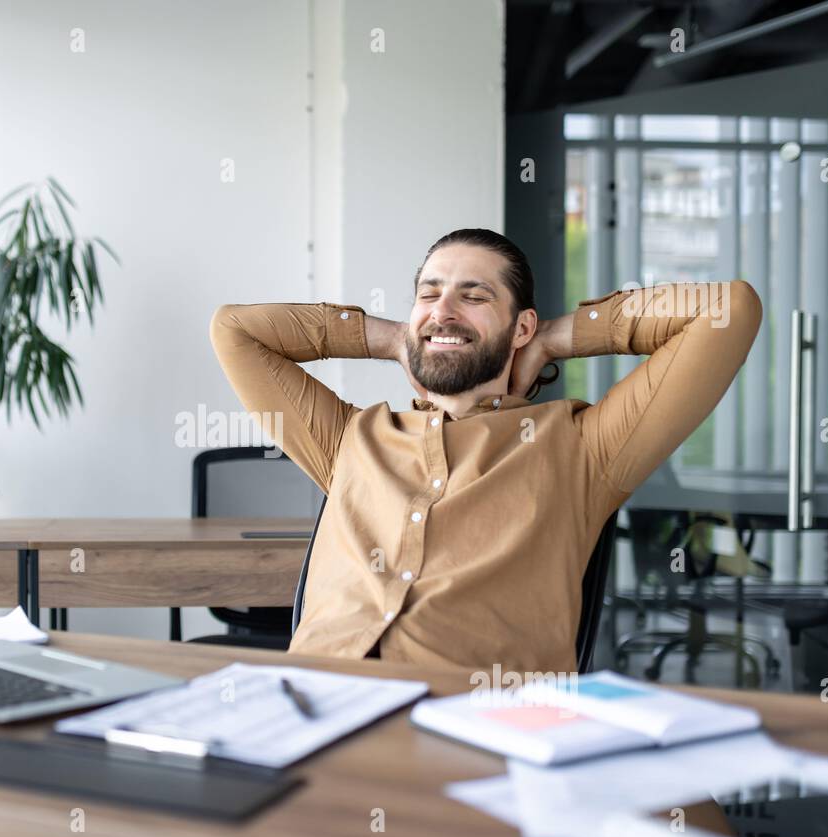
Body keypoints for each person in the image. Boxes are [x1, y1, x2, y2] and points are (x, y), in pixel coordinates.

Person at [210, 228, 762, 674]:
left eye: (474, 297)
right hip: (313, 707)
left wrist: (554, 337)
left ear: (520, 325)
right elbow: (234, 329)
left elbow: (727, 310)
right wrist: (390, 338)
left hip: (478, 733)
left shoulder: (583, 447)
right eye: (429, 294)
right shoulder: (348, 437)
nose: (444, 311)